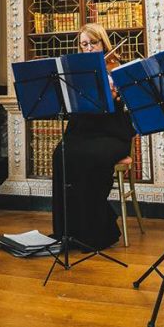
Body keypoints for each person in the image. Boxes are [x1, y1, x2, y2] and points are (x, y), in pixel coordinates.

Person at [50, 23, 136, 251]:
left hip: (113, 133)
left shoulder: (118, 69)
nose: (88, 48)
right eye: (84, 44)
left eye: (93, 43)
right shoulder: (76, 74)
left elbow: (133, 108)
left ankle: (97, 231)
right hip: (84, 131)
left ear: (103, 44)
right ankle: (66, 230)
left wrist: (118, 94)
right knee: (61, 153)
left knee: (91, 158)